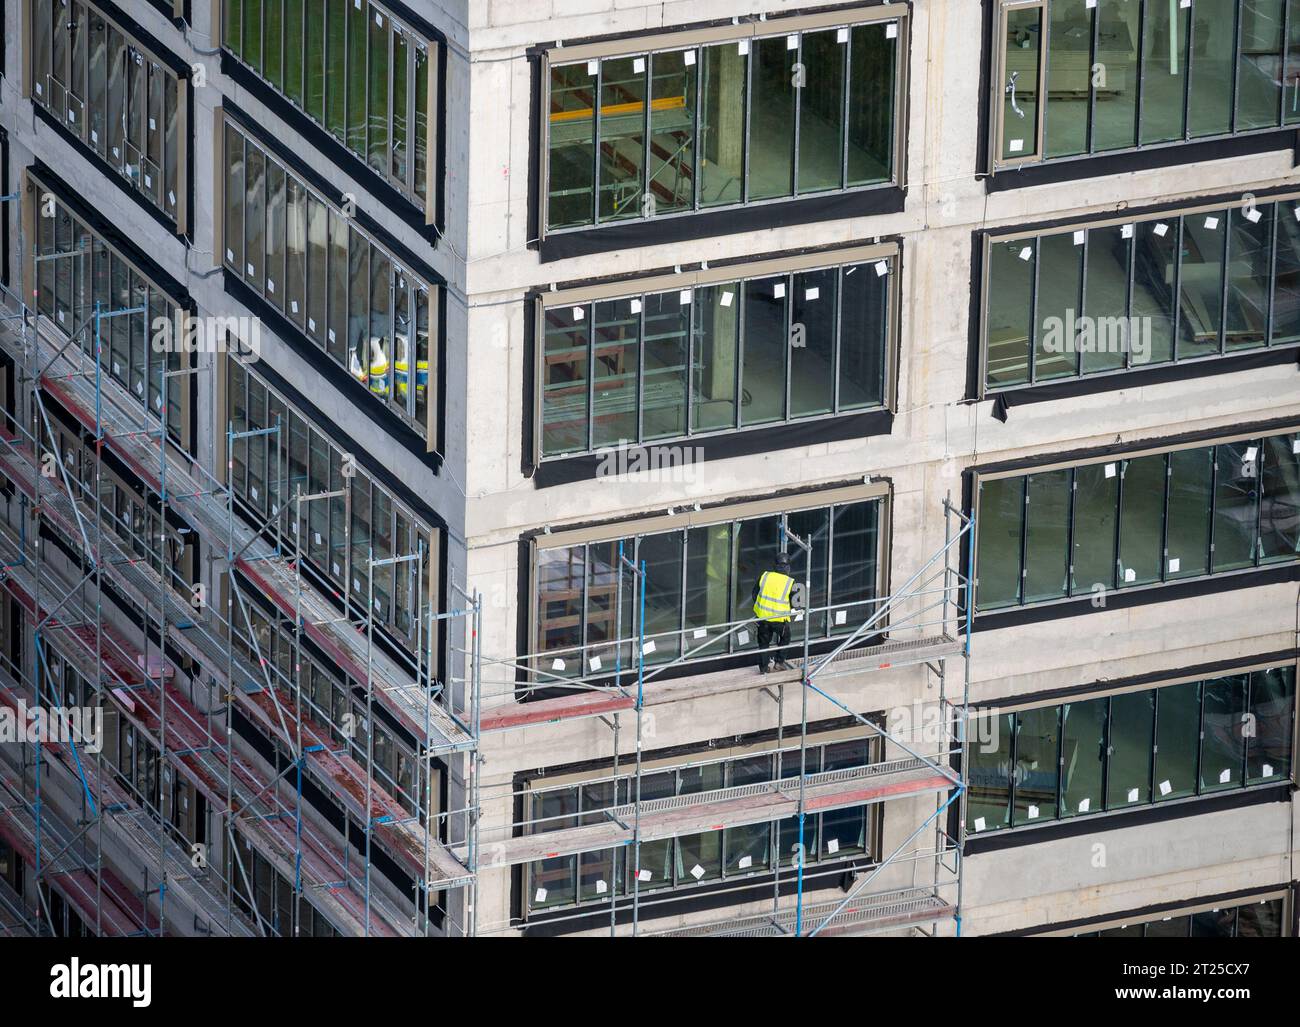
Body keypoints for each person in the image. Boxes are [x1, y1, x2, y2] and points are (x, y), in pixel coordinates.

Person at [752, 552, 795, 674]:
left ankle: (764, 668)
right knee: (785, 637)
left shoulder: (765, 576)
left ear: (775, 565)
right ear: (787, 567)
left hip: (763, 618)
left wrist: (761, 607)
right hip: (779, 619)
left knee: (763, 644)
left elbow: (754, 594)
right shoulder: (789, 582)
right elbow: (793, 602)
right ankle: (779, 663)